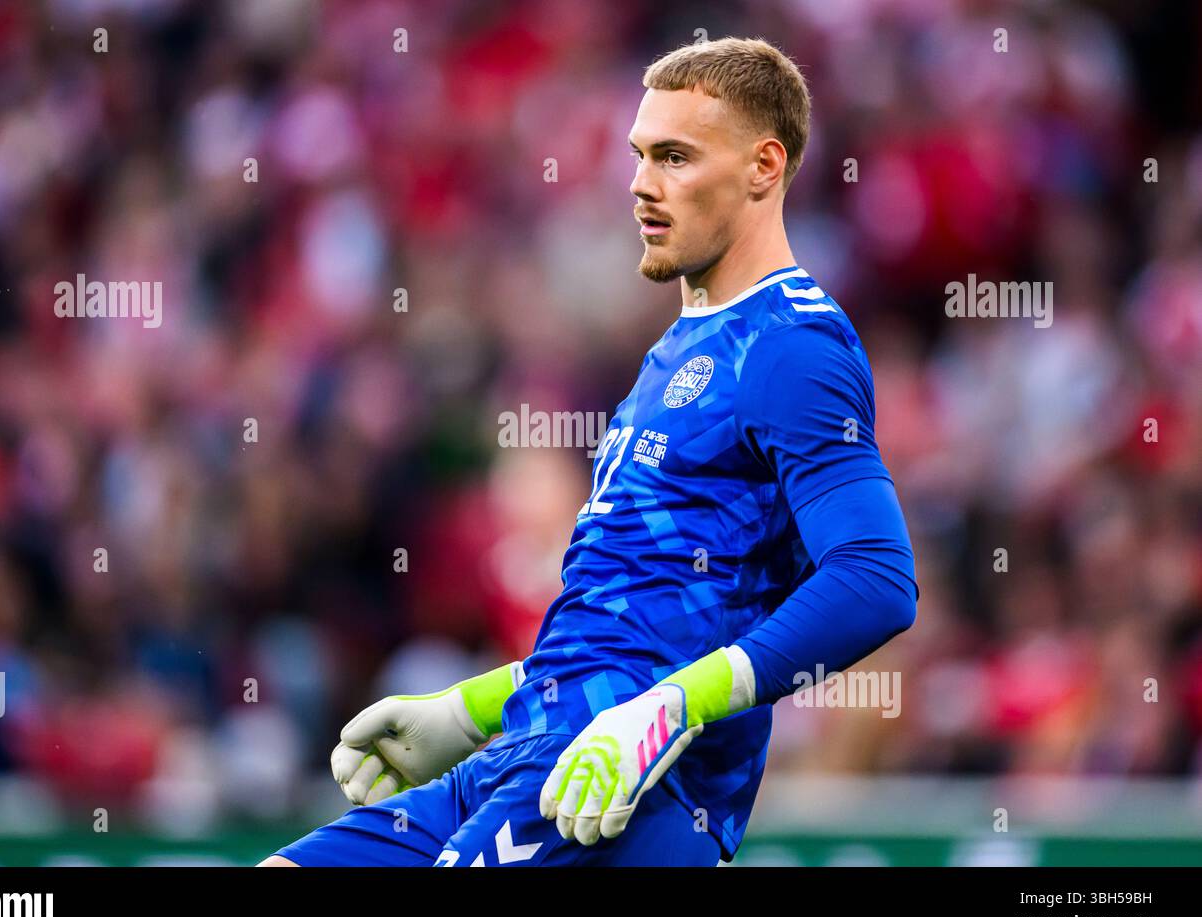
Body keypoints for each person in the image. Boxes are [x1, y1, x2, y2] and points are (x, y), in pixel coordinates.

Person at [261, 36, 917, 867]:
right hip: (529, 752)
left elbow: (876, 581)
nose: (642, 184)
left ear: (763, 167)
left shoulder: (795, 348)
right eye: (640, 155)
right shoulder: (675, 353)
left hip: (626, 794)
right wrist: (467, 711)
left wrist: (675, 707)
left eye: (676, 158)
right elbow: (628, 620)